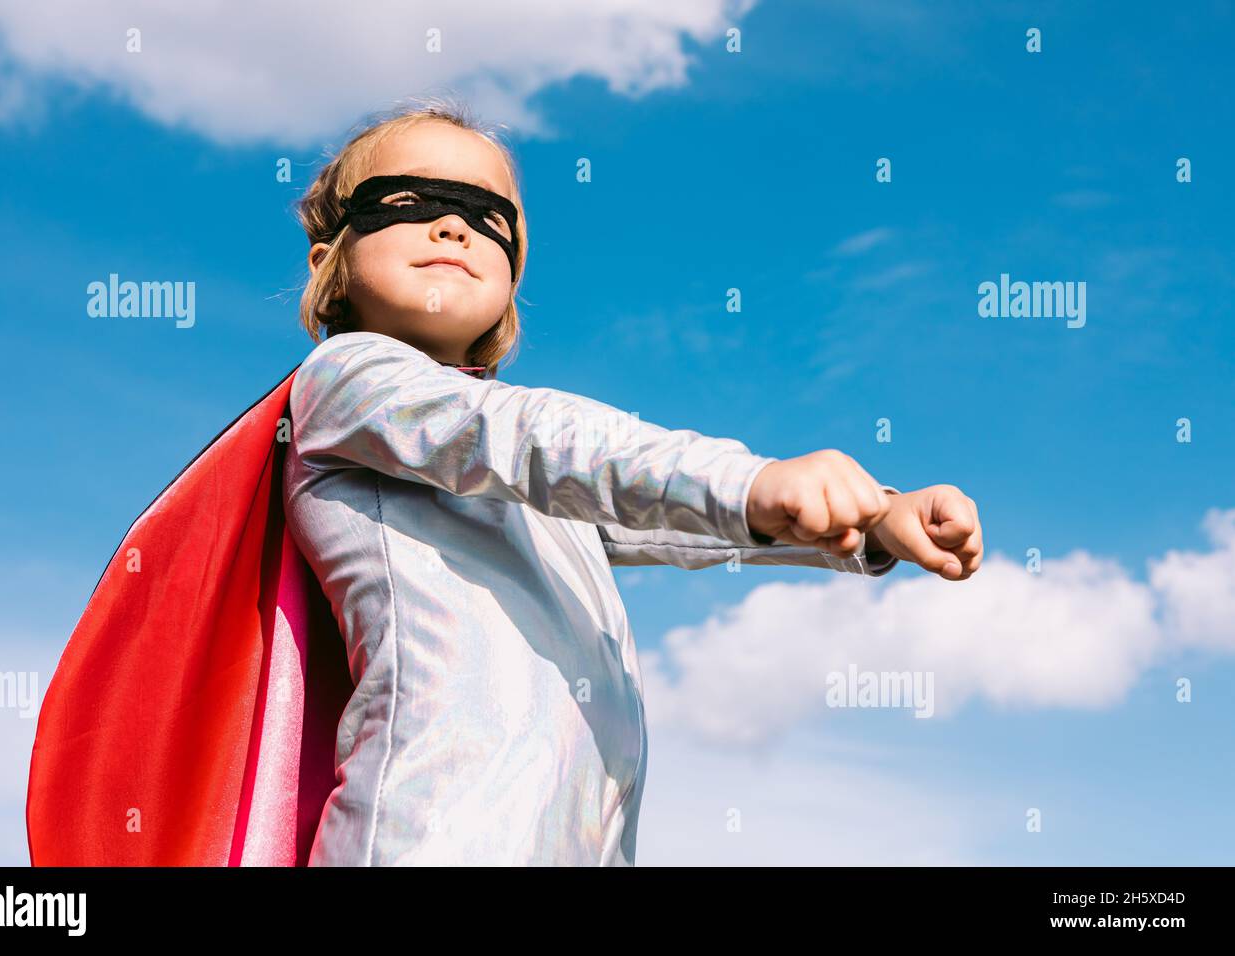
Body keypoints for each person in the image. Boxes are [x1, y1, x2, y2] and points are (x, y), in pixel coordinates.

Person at [280, 98, 983, 866]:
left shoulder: (526, 486)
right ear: (331, 263)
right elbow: (543, 443)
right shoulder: (349, 380)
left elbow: (660, 514)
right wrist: (754, 482)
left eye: (488, 216)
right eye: (410, 203)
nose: (454, 226)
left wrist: (871, 521)